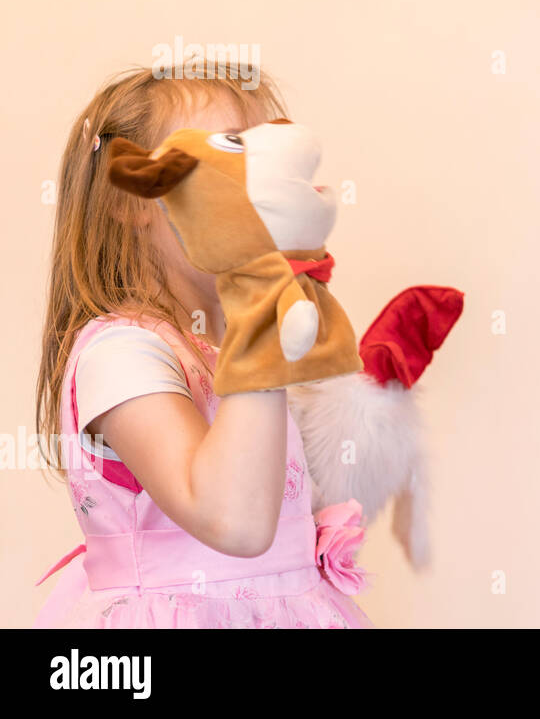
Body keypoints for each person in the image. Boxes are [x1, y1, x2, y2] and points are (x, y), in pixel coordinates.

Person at [33, 62, 372, 628]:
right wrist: (260, 316)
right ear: (134, 197)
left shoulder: (222, 346)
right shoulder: (122, 353)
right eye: (233, 157)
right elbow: (234, 520)